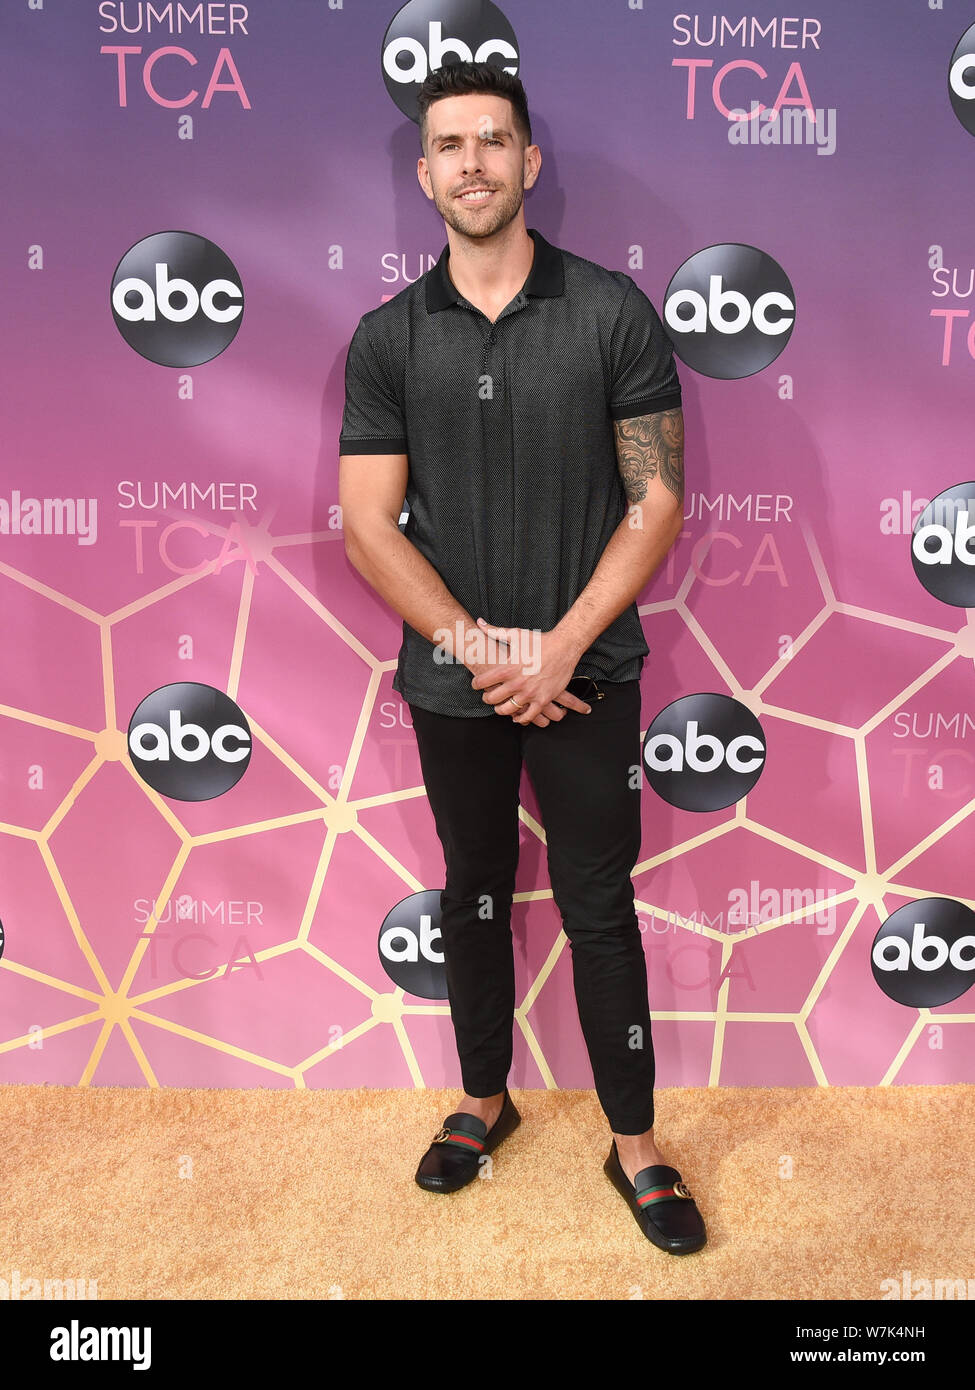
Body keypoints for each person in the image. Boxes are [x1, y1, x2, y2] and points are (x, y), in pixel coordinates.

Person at [338, 60, 705, 1255]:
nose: (475, 163)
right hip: (457, 682)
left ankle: (636, 1140)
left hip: (588, 671)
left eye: (495, 141)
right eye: (451, 146)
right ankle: (482, 1101)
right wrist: (485, 651)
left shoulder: (612, 312)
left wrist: (558, 650)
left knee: (601, 907)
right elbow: (365, 524)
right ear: (427, 172)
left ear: (529, 162)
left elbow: (656, 504)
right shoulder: (389, 335)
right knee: (475, 892)